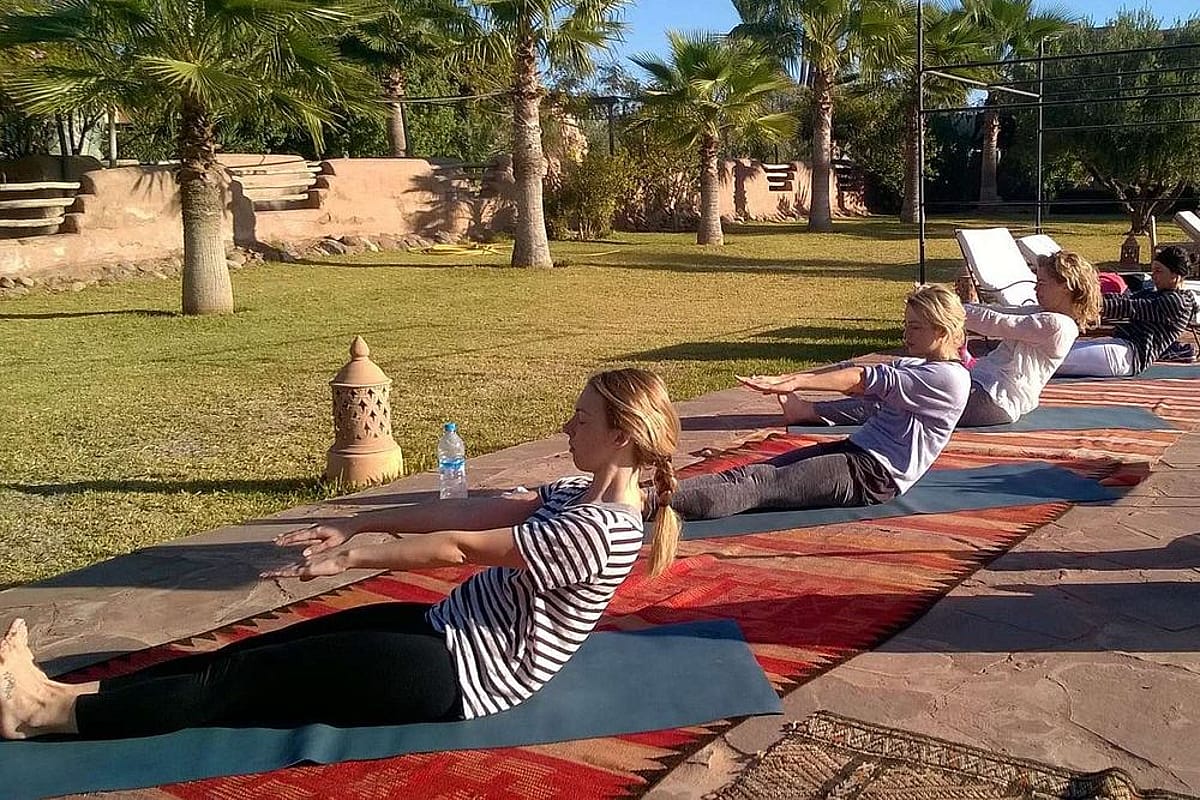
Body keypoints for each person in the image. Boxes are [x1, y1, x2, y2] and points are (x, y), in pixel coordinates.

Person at [0, 368, 682, 740]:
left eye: (581, 419)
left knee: (236, 686)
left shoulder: (605, 531)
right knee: (248, 654)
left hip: (466, 676)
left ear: (621, 437)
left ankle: (38, 717)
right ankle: (67, 693)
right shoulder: (572, 492)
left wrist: (357, 559)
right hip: (447, 628)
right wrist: (358, 525)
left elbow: (458, 548)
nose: (566, 426)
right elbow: (467, 512)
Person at [660, 285, 971, 521]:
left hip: (873, 475)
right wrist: (789, 378)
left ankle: (647, 505)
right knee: (750, 473)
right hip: (857, 451)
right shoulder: (918, 366)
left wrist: (796, 381)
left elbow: (863, 379)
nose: (906, 334)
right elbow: (857, 379)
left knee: (759, 485)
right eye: (906, 325)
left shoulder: (949, 379)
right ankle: (652, 495)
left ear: (941, 331)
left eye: (915, 327)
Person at [1056, 245, 1195, 378]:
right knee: (1052, 349)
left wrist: (1083, 303)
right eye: (1153, 271)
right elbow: (1123, 298)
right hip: (1119, 346)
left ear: (1175, 274)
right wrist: (1086, 297)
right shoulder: (1155, 294)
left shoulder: (1177, 303)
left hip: (1129, 356)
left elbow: (1129, 307)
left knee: (1053, 357)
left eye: (1158, 271)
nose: (1153, 276)